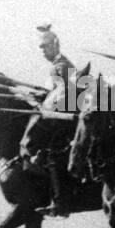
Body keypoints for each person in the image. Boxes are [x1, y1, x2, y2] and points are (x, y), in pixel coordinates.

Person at [36, 24, 76, 216]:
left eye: (45, 46)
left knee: (52, 153)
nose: (43, 50)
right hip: (60, 114)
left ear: (55, 44)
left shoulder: (62, 66)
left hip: (68, 118)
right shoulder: (55, 66)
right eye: (41, 47)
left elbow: (68, 95)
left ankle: (61, 202)